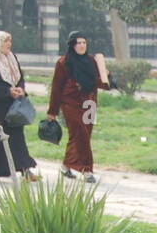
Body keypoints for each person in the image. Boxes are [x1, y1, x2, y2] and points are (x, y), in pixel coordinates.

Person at [0, 30, 39, 182]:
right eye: (5, 41)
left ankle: (25, 169)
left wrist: (20, 88)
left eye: (10, 41)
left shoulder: (11, 57)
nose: (8, 44)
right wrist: (6, 91)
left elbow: (19, 77)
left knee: (16, 137)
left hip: (12, 104)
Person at [47, 31, 110, 184]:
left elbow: (98, 82)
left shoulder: (91, 61)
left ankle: (66, 165)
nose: (82, 45)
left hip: (90, 103)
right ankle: (86, 169)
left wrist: (107, 77)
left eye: (84, 43)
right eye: (78, 43)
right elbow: (56, 87)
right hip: (71, 103)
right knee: (79, 133)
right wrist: (52, 111)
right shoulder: (63, 63)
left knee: (83, 135)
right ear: (72, 45)